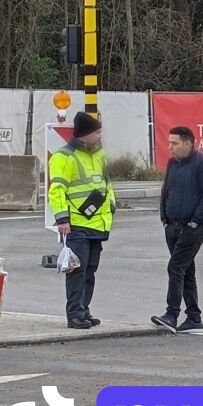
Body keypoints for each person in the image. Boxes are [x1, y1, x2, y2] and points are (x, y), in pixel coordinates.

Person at [49, 112, 115, 329]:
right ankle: (75, 314)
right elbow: (57, 189)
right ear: (86, 134)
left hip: (97, 223)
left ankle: (84, 310)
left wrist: (112, 206)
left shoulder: (99, 153)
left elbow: (106, 184)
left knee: (90, 269)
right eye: (96, 132)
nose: (100, 135)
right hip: (77, 223)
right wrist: (62, 219)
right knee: (77, 270)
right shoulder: (64, 157)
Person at [152, 126, 203, 333]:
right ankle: (194, 317)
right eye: (169, 142)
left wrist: (195, 222)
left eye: (175, 143)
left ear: (188, 143)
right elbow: (167, 190)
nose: (169, 147)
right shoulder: (173, 164)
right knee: (186, 270)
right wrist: (164, 215)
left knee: (175, 267)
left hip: (192, 227)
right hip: (172, 225)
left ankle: (172, 314)